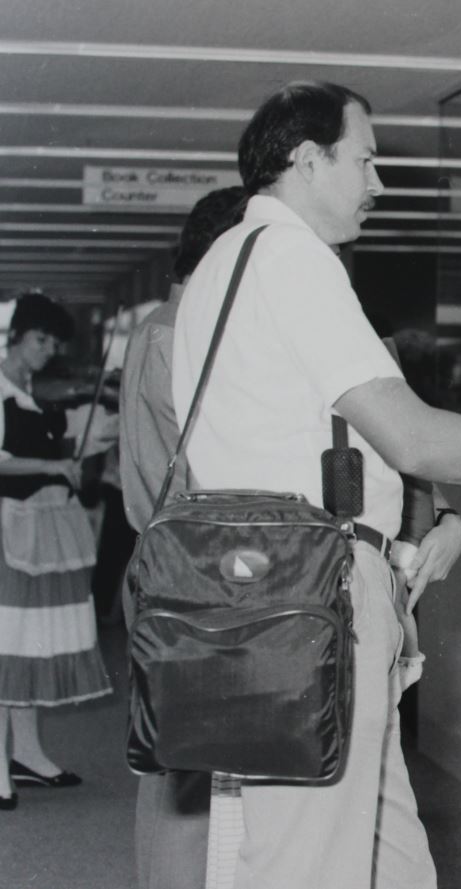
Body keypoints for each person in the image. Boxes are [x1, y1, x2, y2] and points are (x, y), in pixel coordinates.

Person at [168, 81, 461, 889]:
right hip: (311, 596)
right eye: (367, 160)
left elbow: (349, 434)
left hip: (263, 588)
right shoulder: (292, 260)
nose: (379, 183)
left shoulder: (226, 263)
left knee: (389, 858)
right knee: (307, 864)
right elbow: (414, 434)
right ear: (307, 161)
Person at [118, 184, 245, 889]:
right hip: (196, 567)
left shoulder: (155, 327)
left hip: (161, 559)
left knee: (171, 764)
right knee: (187, 772)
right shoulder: (186, 335)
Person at [0, 292, 116, 811]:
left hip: (41, 531)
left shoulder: (33, 392)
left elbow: (53, 442)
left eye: (53, 342)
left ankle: (25, 752)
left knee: (30, 640)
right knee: (7, 643)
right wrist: (51, 467)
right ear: (16, 336)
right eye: (40, 339)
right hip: (8, 531)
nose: (47, 350)